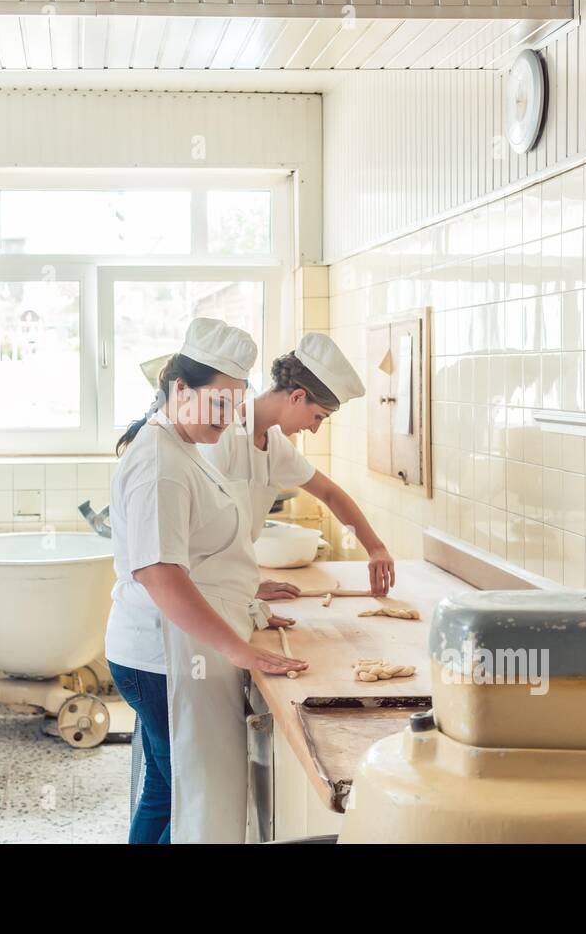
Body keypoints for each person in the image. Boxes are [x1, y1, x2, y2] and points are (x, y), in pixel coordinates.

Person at [105, 318, 307, 845]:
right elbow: (159, 573)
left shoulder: (180, 445)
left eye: (235, 406)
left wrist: (246, 588)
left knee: (168, 789)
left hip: (168, 649)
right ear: (179, 390)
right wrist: (239, 649)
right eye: (218, 404)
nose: (228, 418)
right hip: (161, 655)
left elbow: (194, 548)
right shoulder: (159, 462)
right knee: (187, 793)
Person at [198, 332, 396, 599]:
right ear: (297, 397)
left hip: (228, 588)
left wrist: (376, 548)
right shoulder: (222, 434)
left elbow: (329, 493)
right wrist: (246, 587)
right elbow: (199, 534)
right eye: (318, 417)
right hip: (200, 591)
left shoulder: (273, 444)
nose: (314, 429)